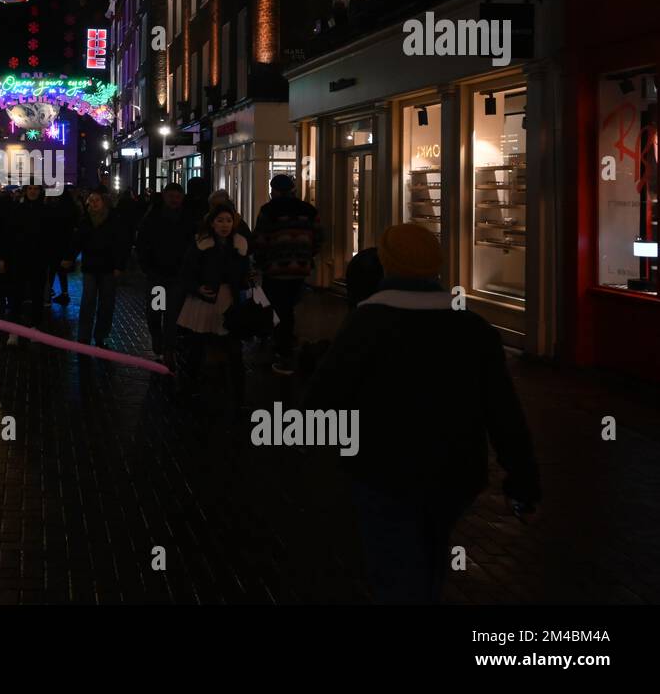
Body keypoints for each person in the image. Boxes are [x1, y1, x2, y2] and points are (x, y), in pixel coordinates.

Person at [305, 223, 541, 604]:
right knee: (431, 554)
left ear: (386, 264)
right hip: (455, 470)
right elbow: (503, 410)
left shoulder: (368, 323)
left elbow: (323, 398)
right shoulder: (471, 326)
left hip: (383, 468)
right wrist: (522, 478)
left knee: (396, 567)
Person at [172, 204, 250, 406]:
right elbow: (186, 272)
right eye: (220, 220)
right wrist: (197, 288)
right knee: (197, 345)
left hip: (228, 299)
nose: (225, 225)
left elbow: (243, 274)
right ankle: (188, 386)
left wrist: (246, 283)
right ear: (212, 223)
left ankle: (238, 391)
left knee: (233, 347)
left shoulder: (239, 245)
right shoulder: (202, 244)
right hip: (205, 300)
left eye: (228, 220)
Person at [252, 173, 322, 374]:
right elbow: (318, 237)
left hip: (275, 268)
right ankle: (284, 341)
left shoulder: (268, 210)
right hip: (300, 267)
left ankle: (283, 348)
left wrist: (260, 261)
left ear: (274, 190)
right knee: (289, 305)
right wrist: (306, 255)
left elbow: (261, 240)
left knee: (277, 307)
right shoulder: (309, 210)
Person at [135, 183, 197, 367]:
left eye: (177, 197)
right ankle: (158, 339)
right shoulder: (153, 217)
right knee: (155, 312)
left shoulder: (187, 219)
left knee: (171, 315)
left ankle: (168, 349)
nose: (174, 200)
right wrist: (147, 267)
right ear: (164, 196)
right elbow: (142, 243)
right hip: (158, 276)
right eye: (171, 196)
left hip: (177, 277)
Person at [64, 190, 129, 346]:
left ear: (104, 202)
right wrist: (69, 257)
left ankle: (101, 335)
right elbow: (77, 241)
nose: (93, 203)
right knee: (88, 302)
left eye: (96, 200)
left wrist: (119, 265)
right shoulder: (86, 221)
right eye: (91, 200)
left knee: (106, 304)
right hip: (91, 267)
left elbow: (121, 245)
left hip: (108, 268)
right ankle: (84, 336)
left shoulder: (114, 220)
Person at [0, 182, 52, 345]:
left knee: (37, 295)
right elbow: (8, 235)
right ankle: (14, 330)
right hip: (19, 258)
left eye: (35, 189)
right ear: (25, 191)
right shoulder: (17, 210)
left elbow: (51, 237)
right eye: (30, 188)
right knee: (16, 294)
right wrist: (4, 258)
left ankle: (34, 327)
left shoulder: (45, 211)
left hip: (38, 259)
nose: (33, 191)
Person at [48, 187, 81, 304]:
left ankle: (48, 294)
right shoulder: (72, 208)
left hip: (55, 244)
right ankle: (64, 294)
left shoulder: (57, 210)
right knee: (61, 271)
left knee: (52, 270)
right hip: (66, 245)